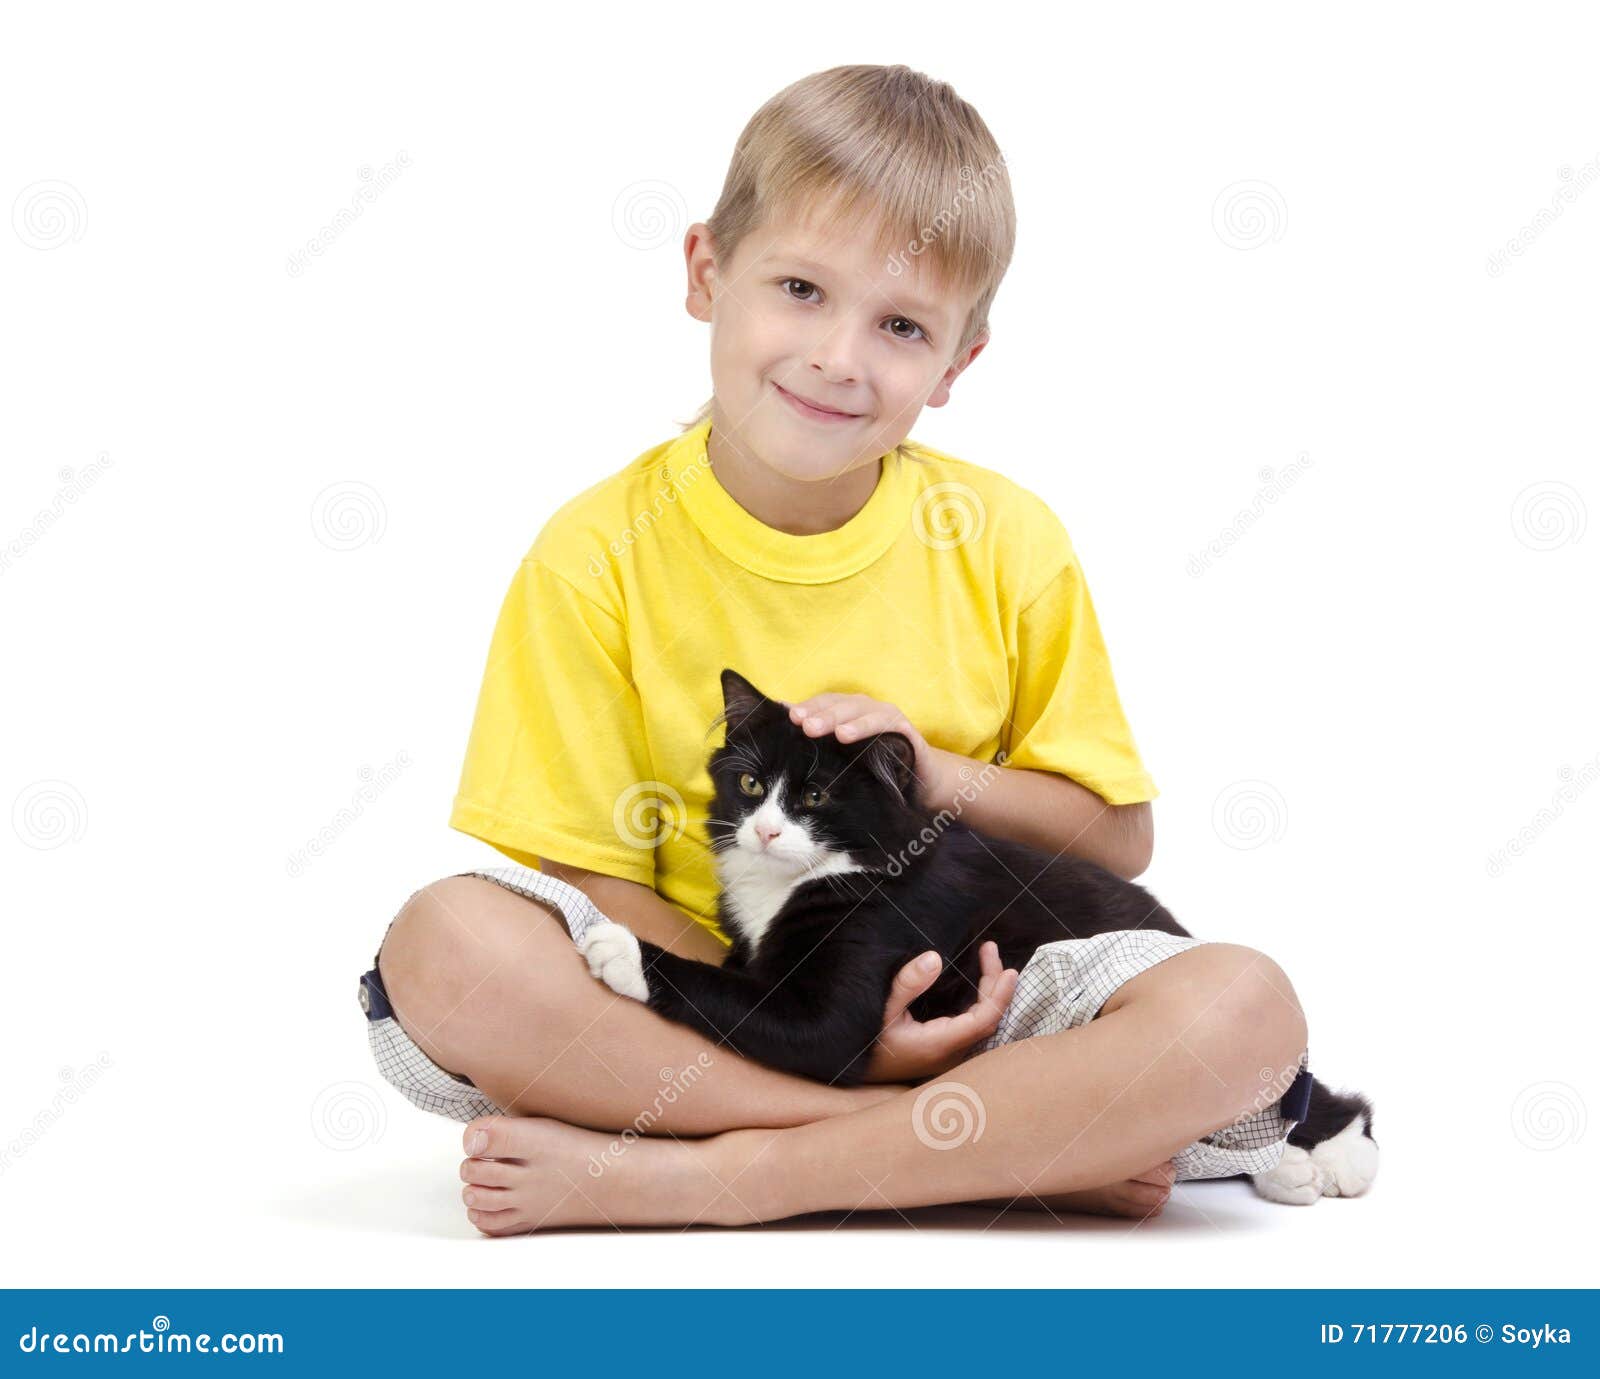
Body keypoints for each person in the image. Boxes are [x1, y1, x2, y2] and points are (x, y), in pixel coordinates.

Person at [358, 62, 1309, 1234]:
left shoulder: (1006, 540)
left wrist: (932, 766)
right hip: (712, 1007)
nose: (840, 357)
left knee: (1247, 1011)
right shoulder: (593, 553)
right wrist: (818, 1034)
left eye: (901, 324)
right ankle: (947, 1148)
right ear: (707, 273)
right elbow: (588, 880)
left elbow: (1116, 836)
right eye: (801, 288)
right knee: (445, 944)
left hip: (980, 1008)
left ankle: (731, 1176)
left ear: (958, 362)